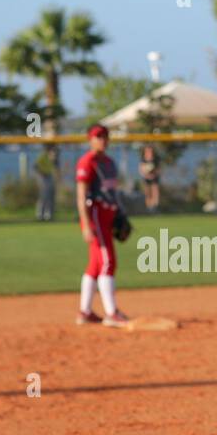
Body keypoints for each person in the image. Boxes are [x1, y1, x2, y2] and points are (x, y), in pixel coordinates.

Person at [75, 124, 128, 327]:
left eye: (105, 136)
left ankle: (85, 312)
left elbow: (113, 192)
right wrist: (86, 225)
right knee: (108, 261)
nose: (102, 140)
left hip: (108, 213)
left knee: (95, 266)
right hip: (94, 214)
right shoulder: (87, 162)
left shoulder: (109, 162)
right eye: (98, 137)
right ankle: (111, 313)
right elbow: (81, 195)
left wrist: (120, 212)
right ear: (90, 139)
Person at [138, 144, 161, 213]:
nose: (149, 152)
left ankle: (155, 207)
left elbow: (159, 169)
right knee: (147, 192)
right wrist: (146, 175)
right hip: (146, 178)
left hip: (154, 178)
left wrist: (154, 174)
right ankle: (148, 208)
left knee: (155, 190)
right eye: (147, 151)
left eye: (150, 151)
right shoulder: (143, 159)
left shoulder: (155, 159)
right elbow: (141, 170)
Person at [35, 149, 56, 222]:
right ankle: (40, 215)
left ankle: (48, 215)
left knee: (50, 196)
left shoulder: (53, 158)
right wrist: (42, 175)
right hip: (43, 177)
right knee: (43, 196)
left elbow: (53, 168)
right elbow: (36, 166)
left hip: (49, 176)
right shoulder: (43, 157)